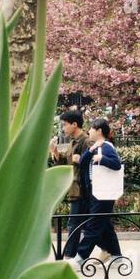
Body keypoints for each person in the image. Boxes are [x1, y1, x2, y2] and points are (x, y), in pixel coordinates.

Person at [63, 118, 124, 271]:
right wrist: (91, 151)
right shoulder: (96, 146)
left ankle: (80, 258)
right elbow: (82, 163)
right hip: (96, 192)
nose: (88, 131)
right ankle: (117, 257)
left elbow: (117, 164)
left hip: (103, 193)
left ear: (99, 131)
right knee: (105, 227)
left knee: (93, 226)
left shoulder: (107, 147)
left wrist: (102, 158)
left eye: (91, 129)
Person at [50, 110, 91, 260]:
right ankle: (111, 250)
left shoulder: (86, 141)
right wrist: (54, 152)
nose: (63, 128)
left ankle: (69, 255)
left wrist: (80, 160)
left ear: (75, 124)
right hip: (74, 189)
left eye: (65, 125)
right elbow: (65, 164)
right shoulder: (72, 142)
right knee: (88, 224)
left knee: (74, 223)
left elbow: (90, 165)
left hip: (81, 190)